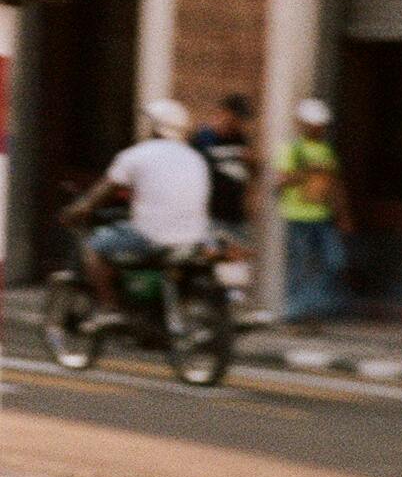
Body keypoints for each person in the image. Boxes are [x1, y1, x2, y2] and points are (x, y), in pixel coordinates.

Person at [59, 99, 212, 325]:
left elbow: (105, 190)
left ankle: (109, 307)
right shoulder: (196, 159)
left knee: (94, 247)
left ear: (154, 127)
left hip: (151, 235)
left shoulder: (137, 154)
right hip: (194, 237)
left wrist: (79, 209)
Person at [274, 97, 350, 327]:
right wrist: (305, 172)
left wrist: (343, 214)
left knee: (334, 261)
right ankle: (296, 313)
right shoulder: (292, 149)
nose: (319, 129)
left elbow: (334, 183)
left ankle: (312, 306)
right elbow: (280, 182)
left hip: (322, 217)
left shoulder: (325, 150)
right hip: (298, 217)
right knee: (300, 268)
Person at [189, 93, 256, 241]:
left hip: (236, 216)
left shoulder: (241, 139)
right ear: (225, 112)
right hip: (210, 215)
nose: (239, 122)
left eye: (242, 119)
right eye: (236, 117)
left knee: (238, 261)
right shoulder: (203, 138)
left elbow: (247, 175)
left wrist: (252, 164)